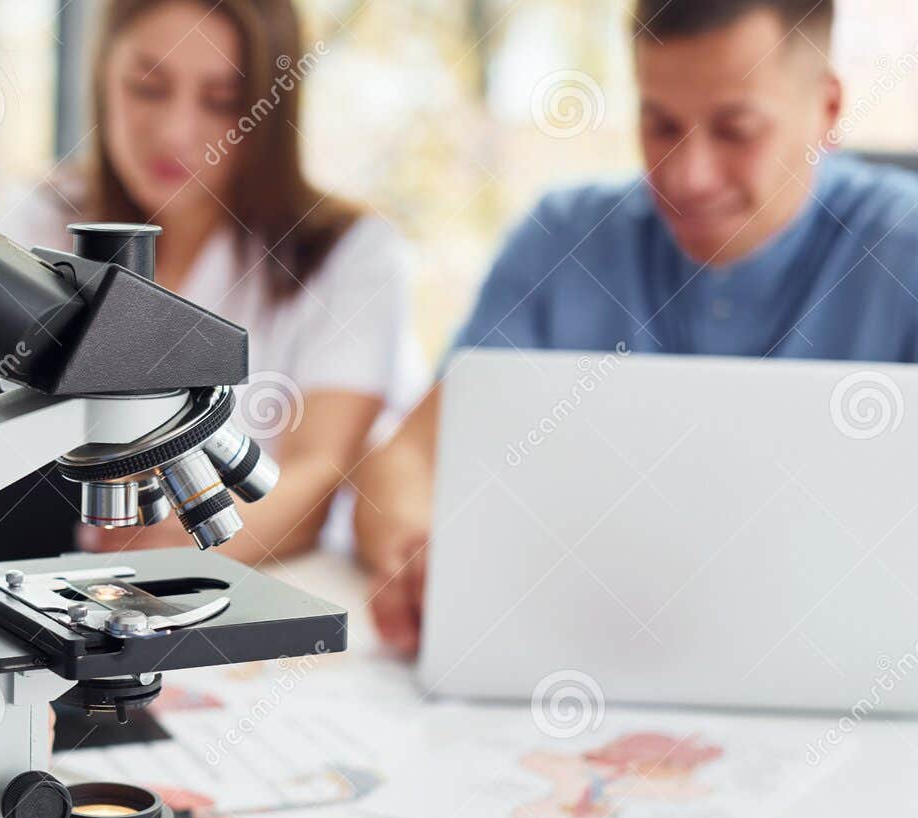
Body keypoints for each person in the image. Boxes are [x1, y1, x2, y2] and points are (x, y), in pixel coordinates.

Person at [355, 0, 918, 654]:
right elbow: (407, 459)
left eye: (736, 130)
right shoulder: (564, 241)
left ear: (826, 109)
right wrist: (417, 553)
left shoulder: (903, 252)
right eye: (660, 125)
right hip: (582, 661)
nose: (688, 176)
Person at [0, 0, 427, 564]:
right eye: (148, 88)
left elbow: (318, 473)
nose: (175, 132)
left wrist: (170, 547)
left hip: (263, 575)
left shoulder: (351, 254)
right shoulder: (41, 219)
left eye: (222, 102)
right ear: (103, 73)